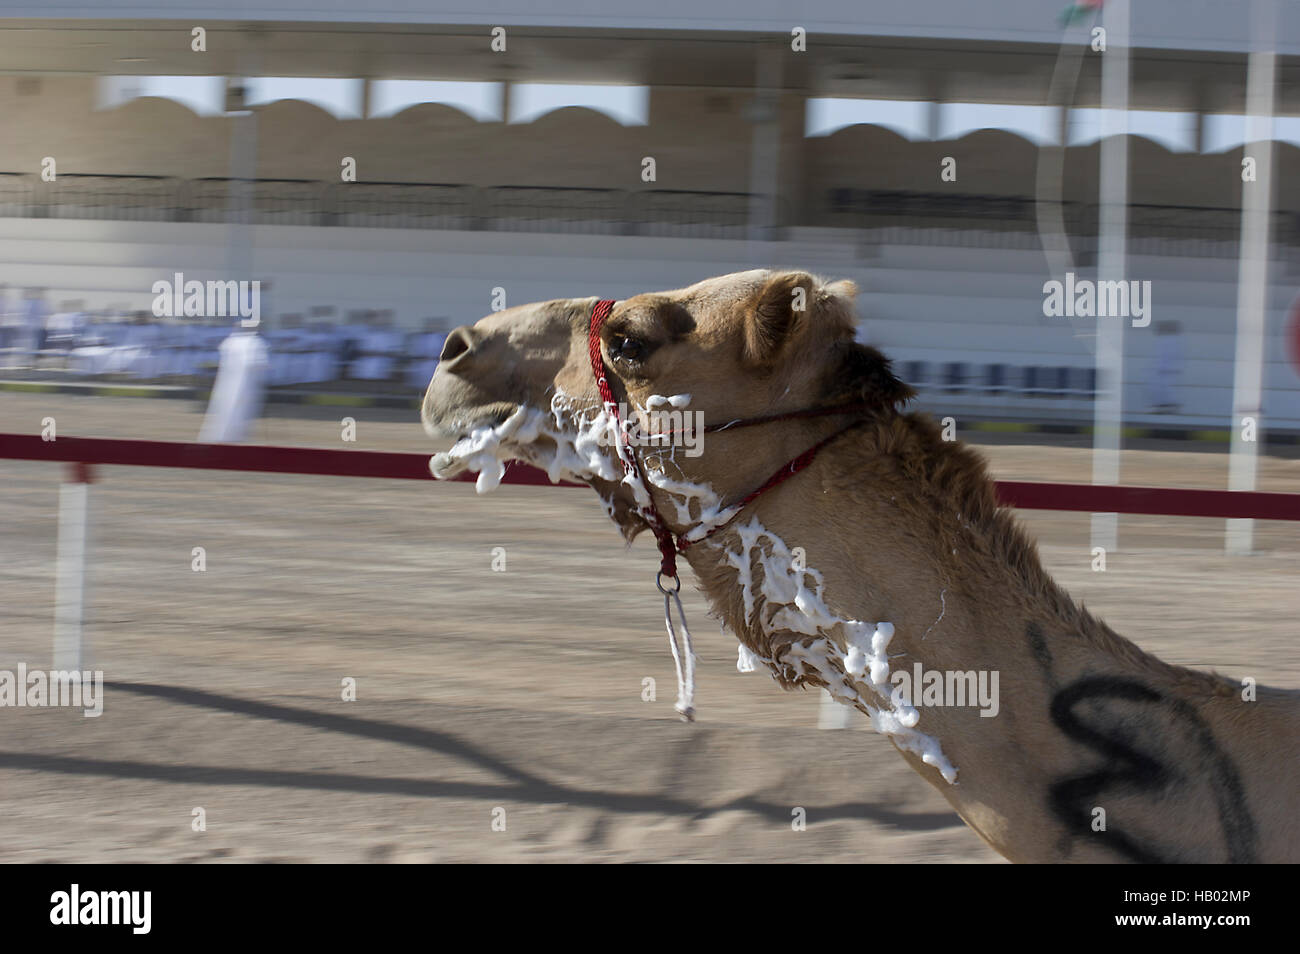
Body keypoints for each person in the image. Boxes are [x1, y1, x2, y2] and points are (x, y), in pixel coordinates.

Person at [199, 322, 269, 442]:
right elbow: (259, 364)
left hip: (226, 382)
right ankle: (233, 438)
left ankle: (218, 437)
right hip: (245, 383)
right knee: (240, 411)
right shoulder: (255, 342)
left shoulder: (230, 341)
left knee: (222, 409)